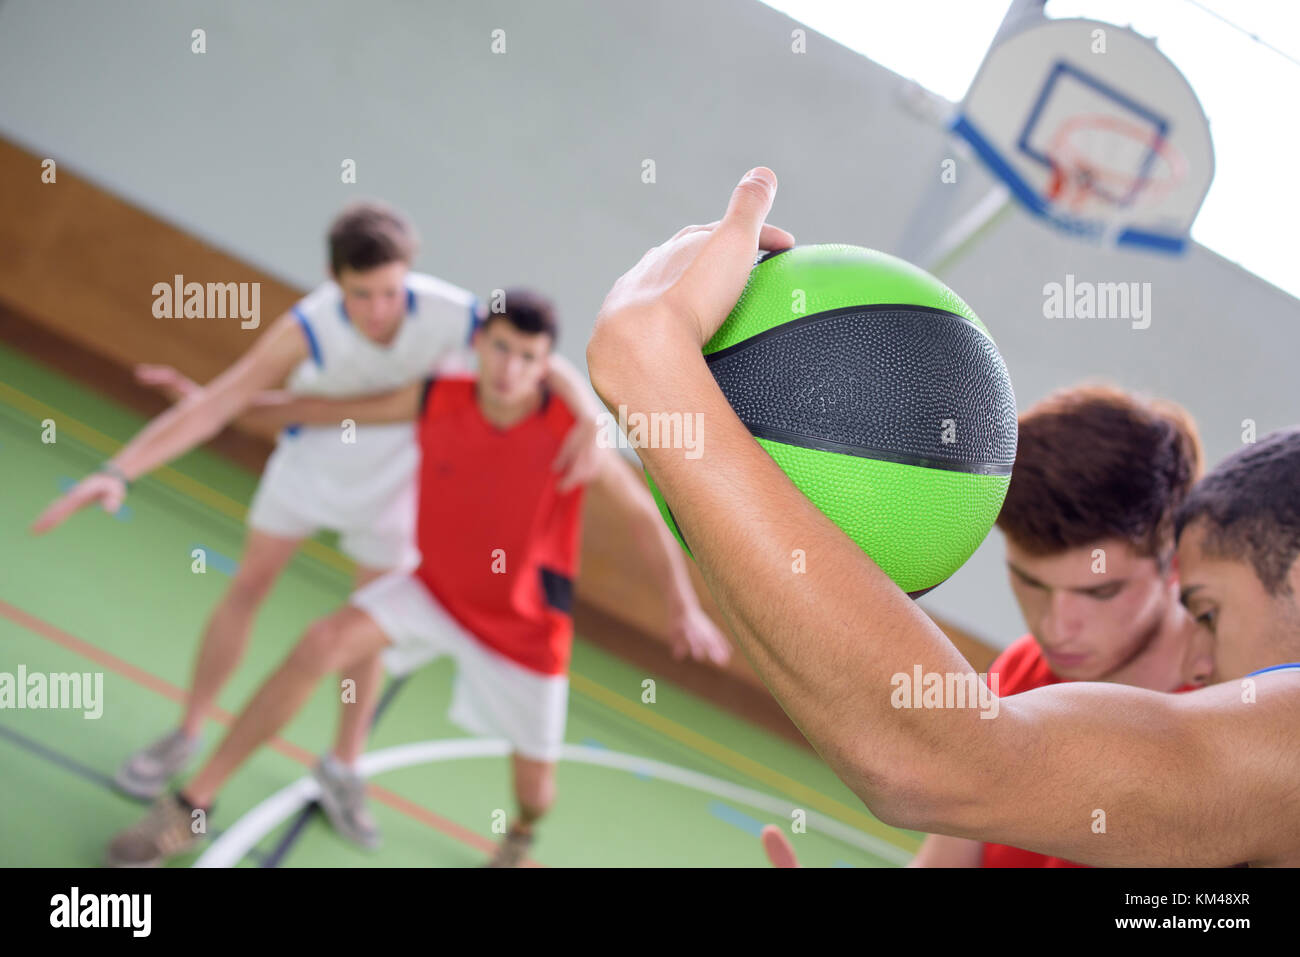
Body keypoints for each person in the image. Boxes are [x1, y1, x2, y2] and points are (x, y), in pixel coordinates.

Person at [585, 166, 1300, 867]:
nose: (1061, 627)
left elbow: (942, 763)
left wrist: (655, 369)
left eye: (1205, 611)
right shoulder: (1032, 677)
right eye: (1034, 584)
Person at [32, 201, 602, 851]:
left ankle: (343, 764)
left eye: (391, 291)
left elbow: (532, 349)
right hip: (311, 465)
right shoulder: (305, 328)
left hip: (398, 486)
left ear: (408, 276)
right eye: (362, 294)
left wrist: (585, 409)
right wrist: (120, 470)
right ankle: (187, 731)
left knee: (364, 634)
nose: (379, 308)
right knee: (247, 587)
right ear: (334, 281)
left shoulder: (451, 312)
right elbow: (225, 400)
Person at [103, 288, 731, 867]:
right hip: (432, 589)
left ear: (546, 365)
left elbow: (645, 518)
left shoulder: (570, 434)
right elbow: (323, 408)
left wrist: (683, 607)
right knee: (320, 642)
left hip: (524, 630)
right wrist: (215, 402)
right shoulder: (438, 398)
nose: (510, 367)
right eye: (502, 348)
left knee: (537, 792)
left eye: (528, 356)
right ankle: (193, 804)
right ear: (479, 345)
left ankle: (519, 832)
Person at [911, 384, 1205, 868]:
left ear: (1176, 565)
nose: (1056, 628)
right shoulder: (1022, 673)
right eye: (1031, 582)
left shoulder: (1226, 731)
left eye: (1100, 592)